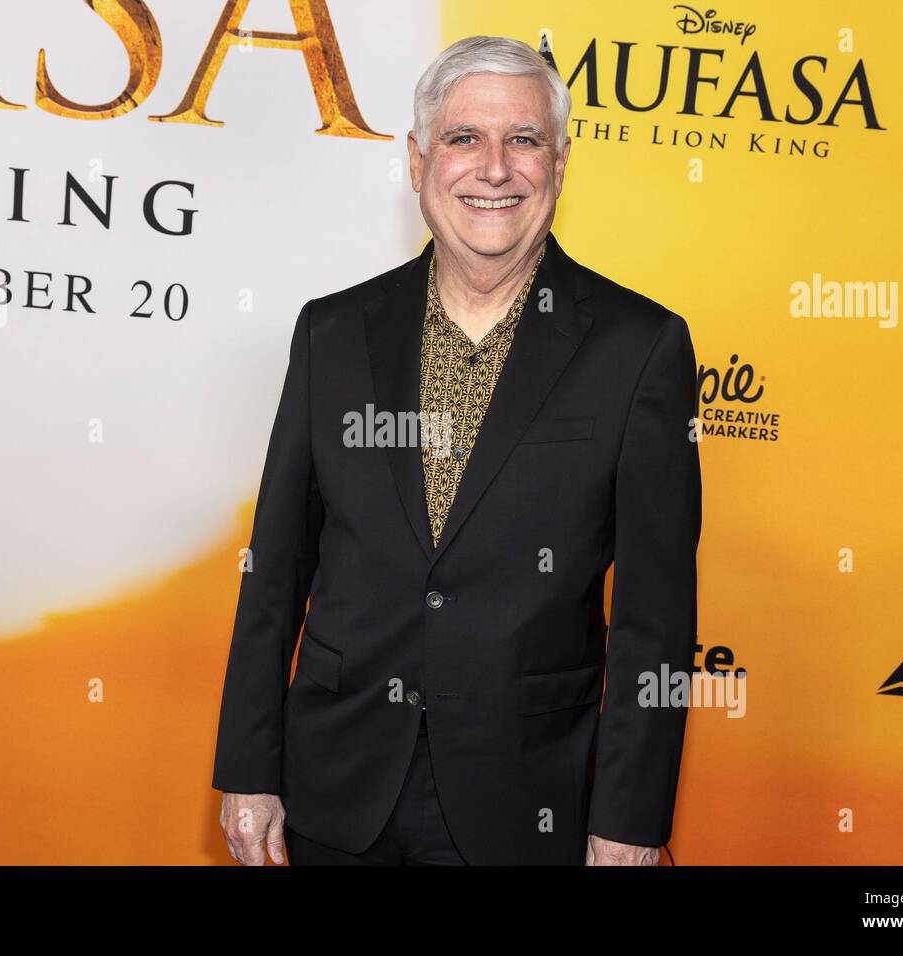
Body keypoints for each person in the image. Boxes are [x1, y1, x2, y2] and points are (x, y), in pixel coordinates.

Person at [213, 35, 702, 866]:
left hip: (529, 802)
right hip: (337, 787)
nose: (495, 169)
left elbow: (657, 621)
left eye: (524, 140)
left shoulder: (640, 347)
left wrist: (629, 820)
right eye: (464, 138)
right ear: (416, 160)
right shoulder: (333, 332)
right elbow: (277, 569)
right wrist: (249, 766)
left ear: (561, 161)